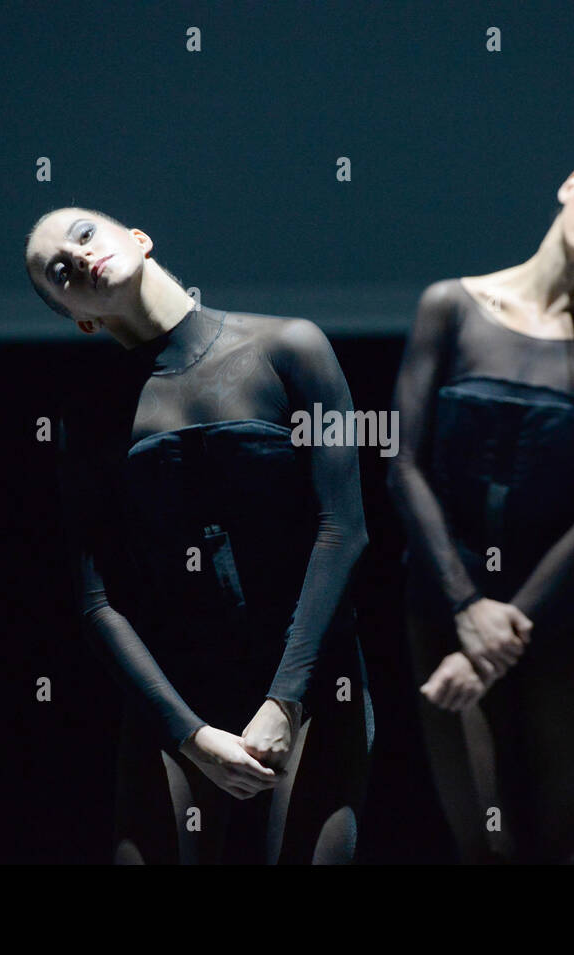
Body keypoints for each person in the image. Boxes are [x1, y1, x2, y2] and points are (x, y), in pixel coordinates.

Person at [26, 208, 372, 863]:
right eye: (59, 271)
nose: (78, 258)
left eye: (82, 234)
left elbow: (344, 531)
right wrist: (188, 733)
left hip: (308, 679)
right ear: (82, 319)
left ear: (138, 236)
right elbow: (96, 601)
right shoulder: (91, 416)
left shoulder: (290, 347)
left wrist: (284, 703)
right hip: (179, 697)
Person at [387, 142, 574, 863]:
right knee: (486, 846)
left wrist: (507, 630)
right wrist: (465, 606)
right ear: (571, 184)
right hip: (444, 605)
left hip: (557, 616)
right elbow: (401, 465)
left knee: (571, 845)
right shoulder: (451, 306)